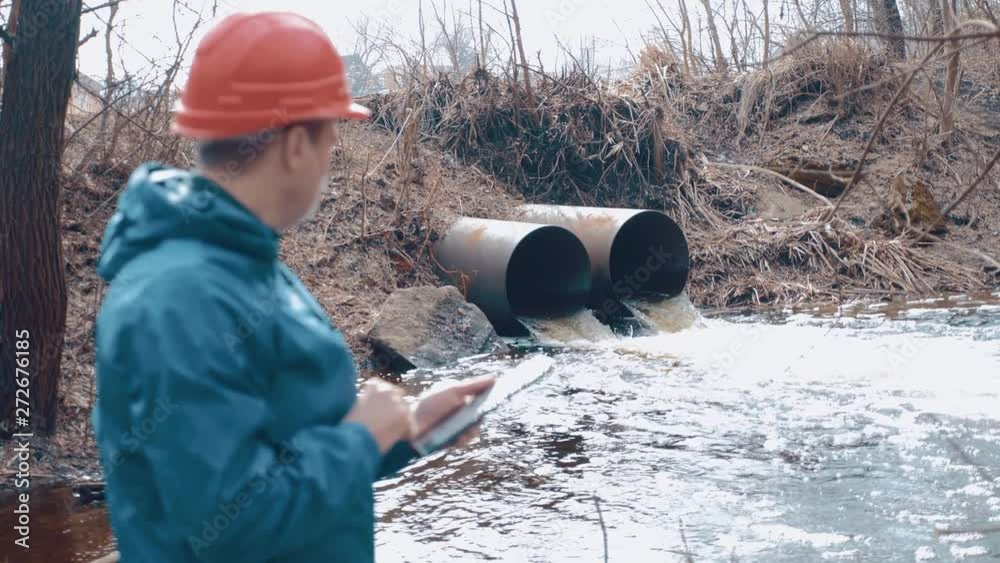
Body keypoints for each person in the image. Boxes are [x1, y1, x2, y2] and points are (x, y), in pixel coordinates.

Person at [92, 11, 493, 563]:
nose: (332, 156)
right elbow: (225, 525)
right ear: (294, 143)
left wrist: (407, 431)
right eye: (330, 136)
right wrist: (359, 440)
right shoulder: (177, 298)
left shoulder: (244, 261)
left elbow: (284, 449)